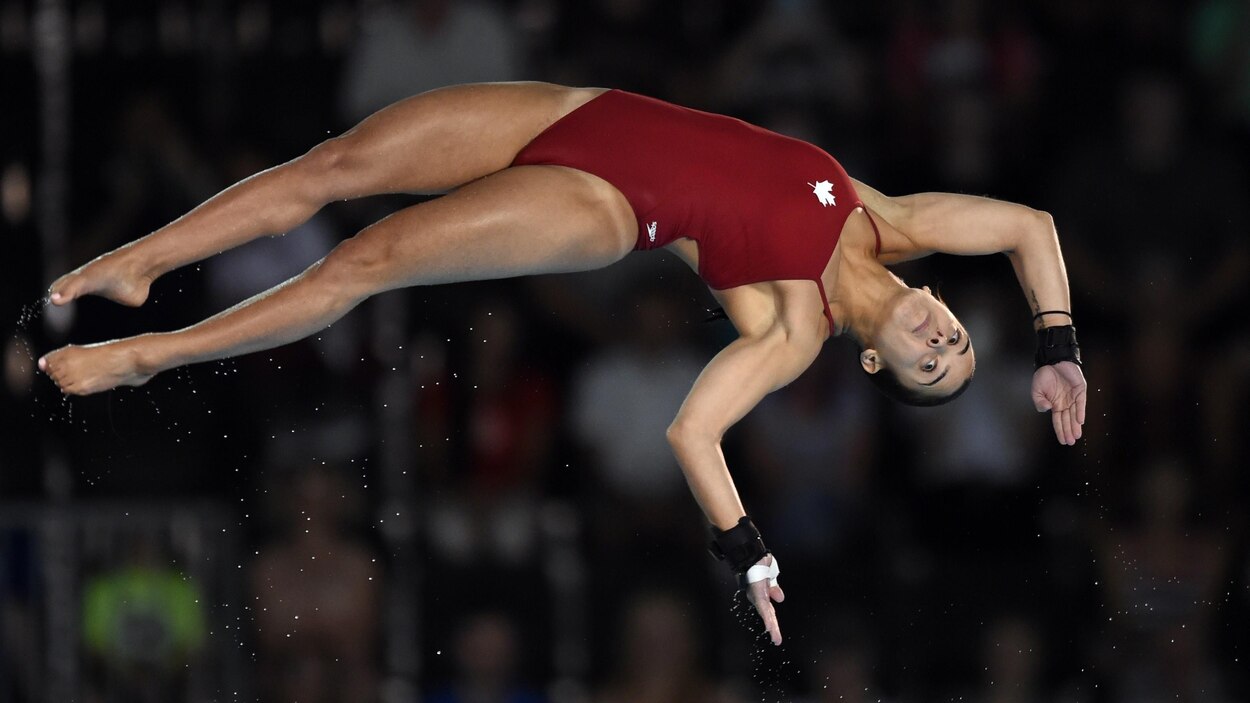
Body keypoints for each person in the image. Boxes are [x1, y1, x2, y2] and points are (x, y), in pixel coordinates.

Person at [38, 81, 1088, 645]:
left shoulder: (795, 329)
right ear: (942, 303)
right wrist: (1055, 346)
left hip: (605, 204)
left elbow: (694, 432)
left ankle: (149, 354)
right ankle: (138, 263)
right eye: (953, 342)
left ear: (874, 364)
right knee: (335, 166)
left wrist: (748, 555)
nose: (941, 346)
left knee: (366, 259)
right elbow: (1031, 226)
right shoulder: (889, 217)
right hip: (577, 110)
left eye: (931, 372)